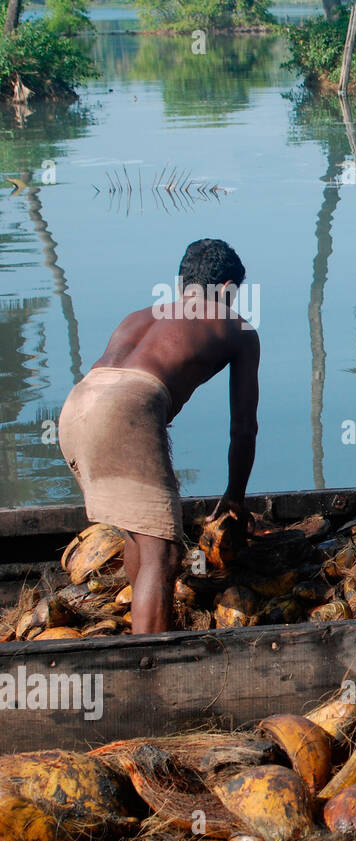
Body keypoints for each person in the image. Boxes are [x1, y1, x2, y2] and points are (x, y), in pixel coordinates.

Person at [58, 239, 260, 634]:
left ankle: (141, 629)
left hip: (77, 407)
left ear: (183, 283)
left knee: (140, 531)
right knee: (163, 553)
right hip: (128, 406)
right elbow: (244, 426)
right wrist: (235, 495)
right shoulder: (238, 328)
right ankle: (147, 668)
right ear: (226, 289)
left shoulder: (139, 316)